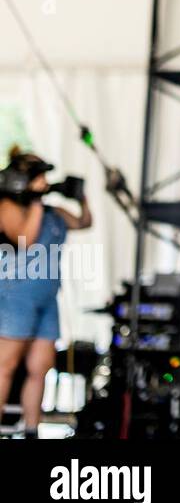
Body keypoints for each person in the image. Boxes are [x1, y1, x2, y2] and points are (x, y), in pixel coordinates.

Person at [0, 147, 93, 438]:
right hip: (17, 295)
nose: (43, 182)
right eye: (37, 177)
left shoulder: (53, 212)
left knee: (41, 366)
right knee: (6, 364)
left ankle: (31, 429)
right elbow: (25, 240)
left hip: (47, 297)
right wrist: (37, 202)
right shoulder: (9, 207)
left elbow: (83, 222)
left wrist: (80, 196)